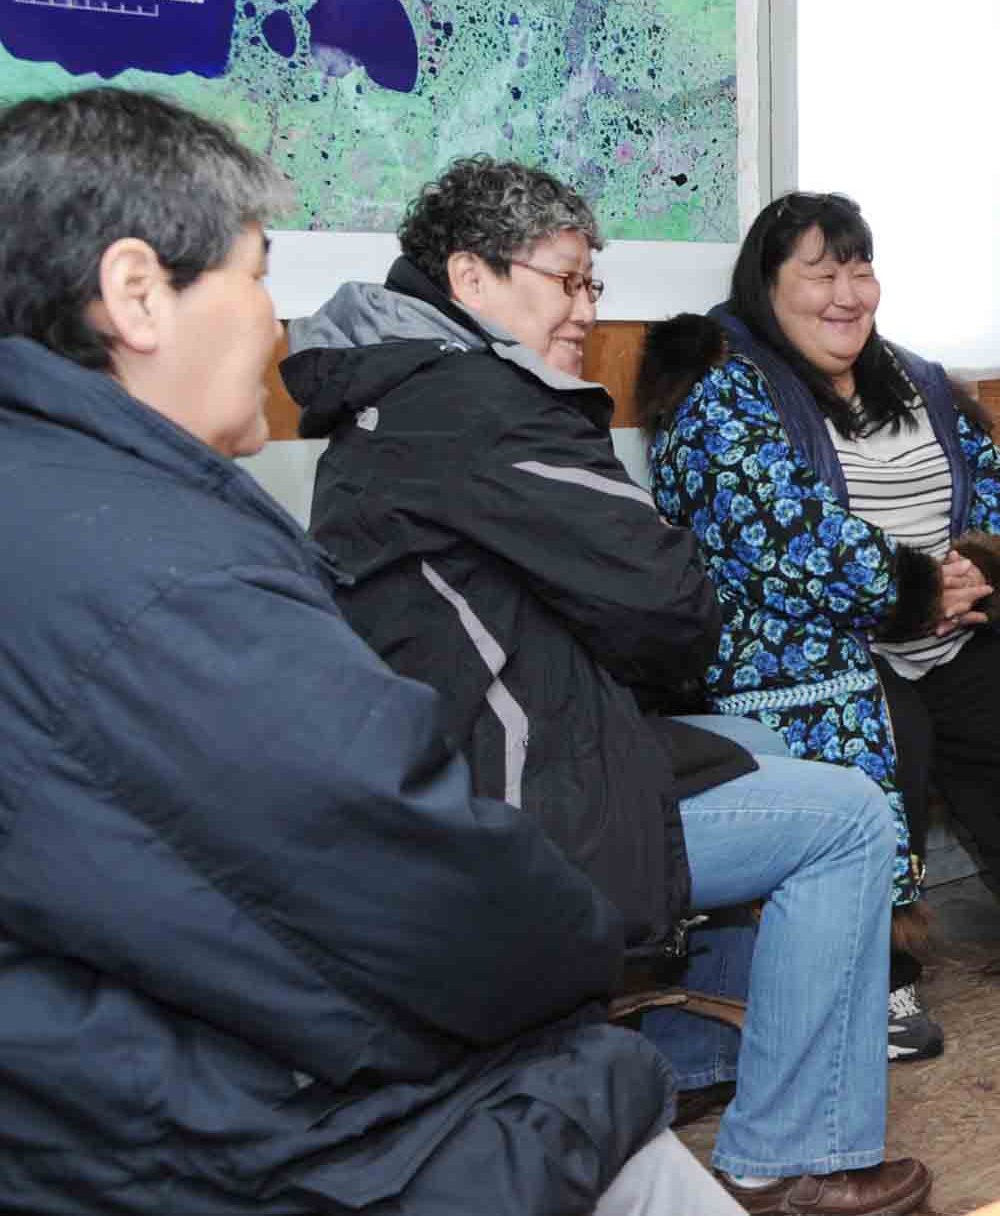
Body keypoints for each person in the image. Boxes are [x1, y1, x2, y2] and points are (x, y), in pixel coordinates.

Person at [0, 88, 744, 1214]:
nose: (278, 324)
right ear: (137, 295)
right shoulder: (173, 580)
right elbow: (411, 881)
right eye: (255, 276)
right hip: (235, 1137)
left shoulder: (63, 505)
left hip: (123, 1101)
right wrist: (587, 966)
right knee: (625, 1126)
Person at [280, 159, 930, 1214]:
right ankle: (796, 1157)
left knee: (760, 748)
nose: (590, 309)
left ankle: (694, 1053)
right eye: (569, 282)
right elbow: (669, 592)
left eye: (593, 284)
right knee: (848, 815)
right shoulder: (475, 407)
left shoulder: (399, 388)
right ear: (473, 278)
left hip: (471, 748)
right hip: (513, 795)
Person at [636, 191, 1000, 1064]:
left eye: (860, 268)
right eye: (820, 272)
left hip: (935, 629)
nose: (847, 293)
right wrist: (917, 589)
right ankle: (867, 975)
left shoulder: (911, 376)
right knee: (888, 724)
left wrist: (978, 570)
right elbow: (778, 532)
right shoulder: (721, 390)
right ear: (768, 285)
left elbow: (993, 482)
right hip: (795, 647)